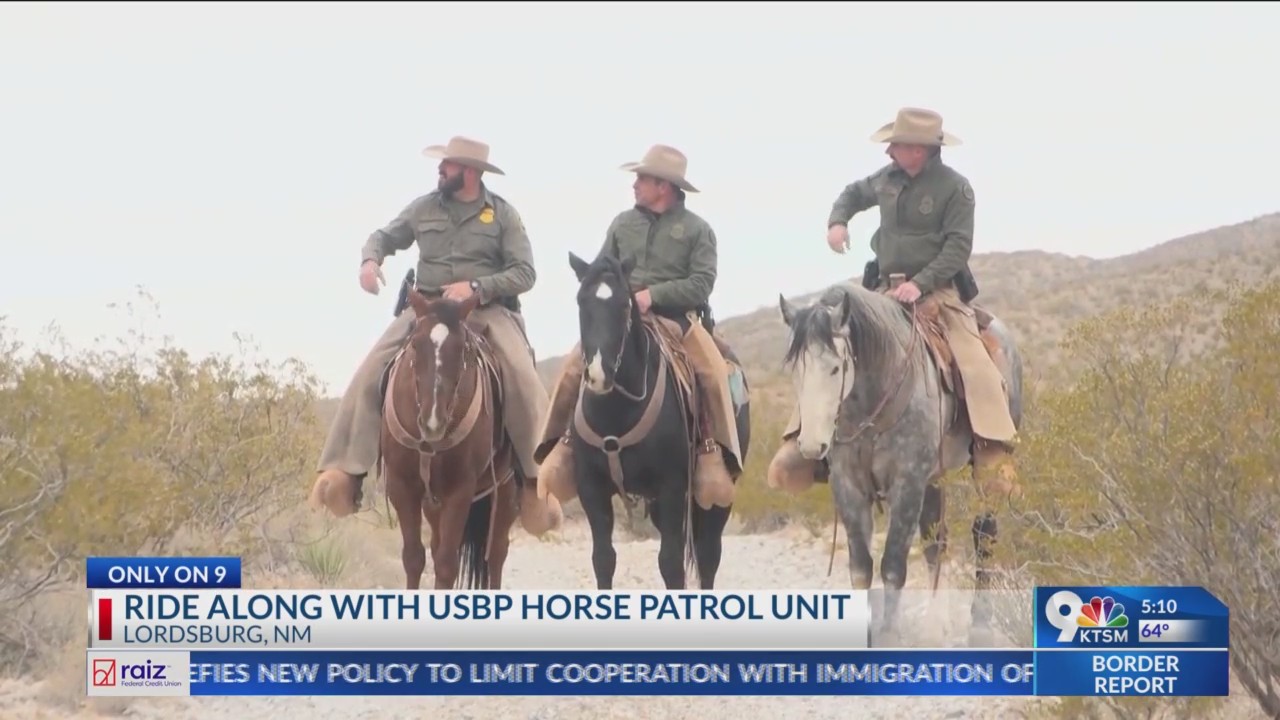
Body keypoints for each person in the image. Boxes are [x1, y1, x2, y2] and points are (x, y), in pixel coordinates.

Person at [308, 135, 563, 536]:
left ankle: (536, 483)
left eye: (449, 165)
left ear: (470, 172)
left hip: (485, 310)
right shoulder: (424, 207)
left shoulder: (503, 215)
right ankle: (345, 471)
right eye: (443, 164)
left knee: (521, 376)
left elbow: (525, 273)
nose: (441, 170)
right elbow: (384, 236)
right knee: (372, 368)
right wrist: (370, 261)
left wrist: (477, 287)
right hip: (425, 308)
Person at [768, 108, 1020, 503]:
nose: (888, 152)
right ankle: (805, 439)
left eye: (896, 145)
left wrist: (921, 284)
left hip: (939, 293)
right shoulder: (886, 179)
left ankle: (991, 448)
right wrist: (838, 221)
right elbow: (852, 194)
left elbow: (958, 247)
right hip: (884, 291)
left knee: (974, 359)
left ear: (919, 150)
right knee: (831, 348)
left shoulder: (956, 189)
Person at [533, 144, 744, 509]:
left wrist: (653, 294)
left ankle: (717, 455)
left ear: (664, 186)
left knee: (712, 372)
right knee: (572, 367)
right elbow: (603, 268)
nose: (635, 185)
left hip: (677, 319)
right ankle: (561, 446)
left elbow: (701, 283)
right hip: (622, 317)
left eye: (642, 179)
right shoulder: (622, 224)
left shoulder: (698, 230)